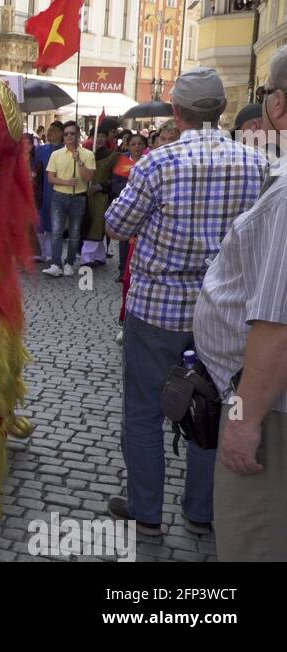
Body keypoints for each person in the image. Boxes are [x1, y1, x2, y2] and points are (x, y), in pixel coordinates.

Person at [104, 67, 268, 536]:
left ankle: (146, 512)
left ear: (176, 112)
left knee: (142, 409)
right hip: (226, 311)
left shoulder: (157, 163)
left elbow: (116, 226)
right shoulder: (256, 165)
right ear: (222, 110)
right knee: (215, 406)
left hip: (158, 307)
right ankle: (202, 511)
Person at [193, 46, 287, 561]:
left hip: (270, 411)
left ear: (277, 104)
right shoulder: (266, 168)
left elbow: (277, 323)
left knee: (254, 541)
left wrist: (245, 420)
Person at [42, 120, 95, 277]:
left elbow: (88, 178)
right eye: (66, 134)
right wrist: (66, 182)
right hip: (59, 196)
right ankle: (56, 263)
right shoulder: (56, 154)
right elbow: (51, 178)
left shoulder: (87, 154)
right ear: (63, 137)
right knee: (57, 231)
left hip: (78, 198)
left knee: (75, 232)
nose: (69, 136)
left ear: (78, 135)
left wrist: (79, 160)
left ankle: (70, 262)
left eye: (72, 133)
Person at [110, 133, 148, 283]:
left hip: (144, 206)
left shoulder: (148, 161)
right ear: (128, 146)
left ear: (145, 146)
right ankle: (122, 270)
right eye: (133, 144)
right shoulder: (124, 161)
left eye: (140, 144)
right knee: (125, 240)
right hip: (127, 206)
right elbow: (116, 183)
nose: (137, 147)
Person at [81, 130, 119, 266]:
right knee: (85, 223)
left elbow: (117, 178)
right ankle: (100, 255)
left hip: (101, 197)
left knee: (96, 224)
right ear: (91, 138)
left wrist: (101, 186)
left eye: (102, 136)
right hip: (83, 194)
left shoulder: (112, 156)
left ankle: (86, 257)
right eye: (97, 136)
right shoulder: (82, 154)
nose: (99, 139)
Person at [33, 121, 64, 262]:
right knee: (40, 222)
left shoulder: (65, 151)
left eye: (53, 130)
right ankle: (41, 252)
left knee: (54, 224)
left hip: (57, 191)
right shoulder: (41, 150)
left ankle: (52, 254)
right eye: (48, 130)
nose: (49, 132)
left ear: (61, 133)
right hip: (41, 191)